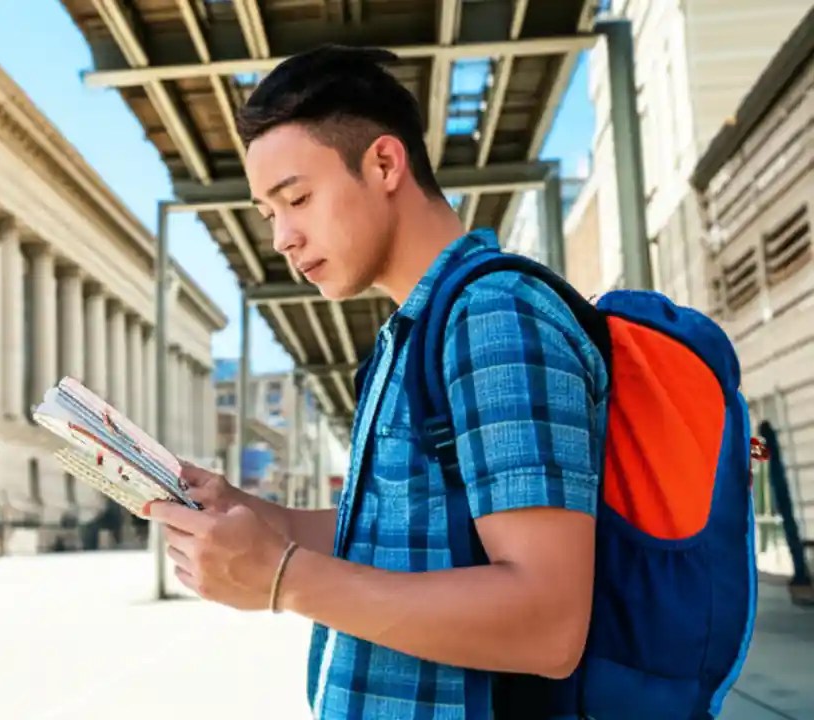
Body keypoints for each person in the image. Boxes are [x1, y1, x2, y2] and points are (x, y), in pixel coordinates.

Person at [143, 44, 609, 718]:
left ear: (385, 163)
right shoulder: (411, 337)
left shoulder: (495, 316)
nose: (281, 238)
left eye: (296, 198)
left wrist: (282, 579)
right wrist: (246, 512)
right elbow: (398, 533)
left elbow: (548, 622)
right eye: (268, 214)